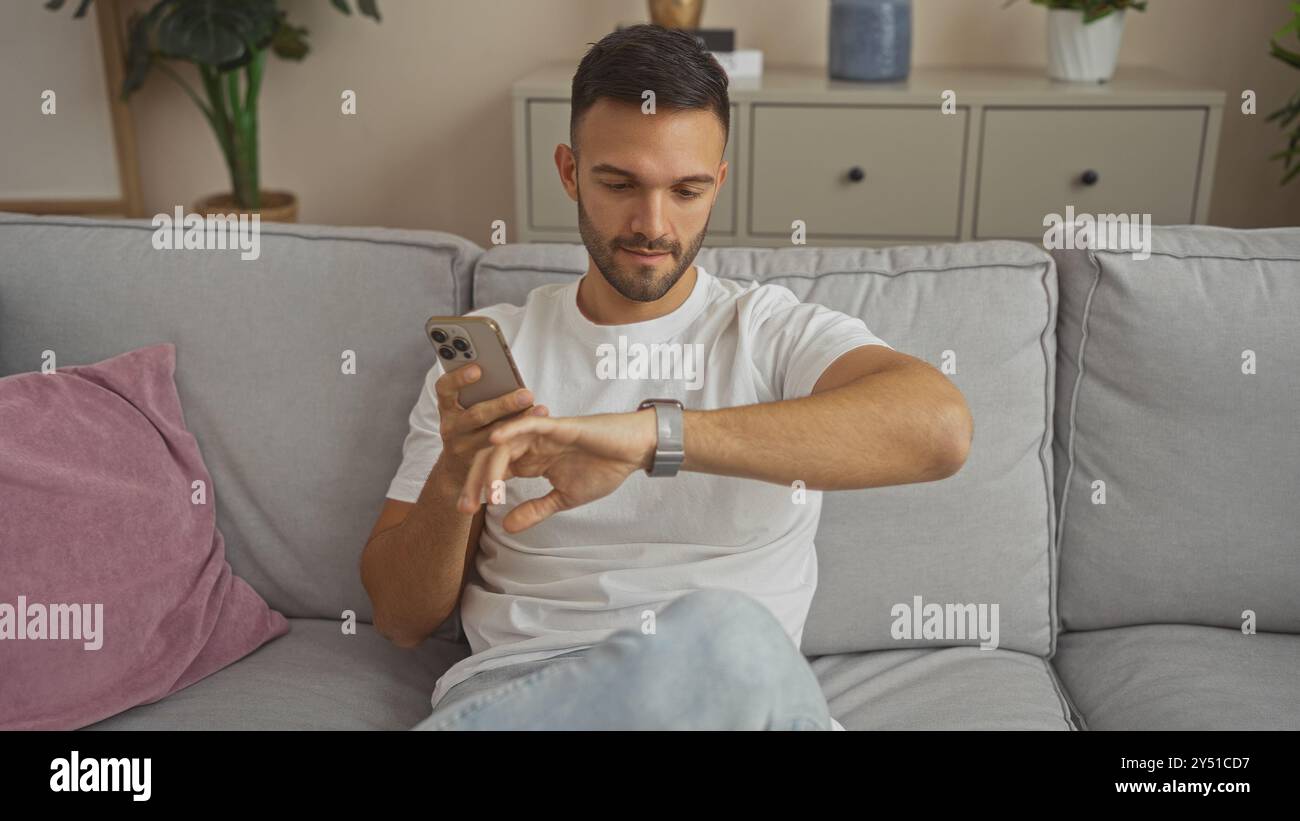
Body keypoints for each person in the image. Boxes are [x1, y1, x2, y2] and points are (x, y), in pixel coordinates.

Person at [360, 24, 972, 731]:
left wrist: (650, 436)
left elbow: (940, 429)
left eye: (686, 190)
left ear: (720, 183)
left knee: (725, 631)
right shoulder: (497, 349)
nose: (652, 225)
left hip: (730, 692)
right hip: (530, 691)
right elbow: (399, 619)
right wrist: (455, 475)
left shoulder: (773, 331)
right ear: (568, 171)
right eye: (619, 183)